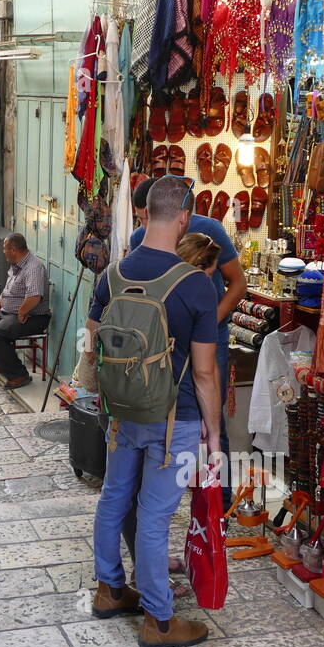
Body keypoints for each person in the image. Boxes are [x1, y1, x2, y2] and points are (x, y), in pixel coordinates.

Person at [85, 175, 222, 647]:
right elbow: (205, 374)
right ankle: (159, 621)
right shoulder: (196, 287)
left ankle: (109, 590)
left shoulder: (114, 274)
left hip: (121, 412)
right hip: (174, 419)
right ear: (185, 217)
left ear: (143, 214)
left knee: (113, 497)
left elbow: (93, 337)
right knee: (155, 515)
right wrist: (215, 437)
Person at [130, 176, 245, 502]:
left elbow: (238, 284)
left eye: (146, 216)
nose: (145, 224)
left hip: (212, 337)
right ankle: (163, 486)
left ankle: (219, 500)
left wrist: (207, 323)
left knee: (212, 415)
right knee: (163, 410)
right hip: (165, 343)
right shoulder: (141, 237)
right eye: (140, 218)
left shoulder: (210, 228)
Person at [0, 233, 50, 390]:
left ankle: (18, 375)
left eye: (5, 249)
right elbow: (8, 290)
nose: (3, 252)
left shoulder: (33, 268)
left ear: (14, 249)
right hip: (10, 313)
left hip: (32, 317)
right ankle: (2, 363)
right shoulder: (16, 265)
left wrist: (22, 311)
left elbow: (35, 296)